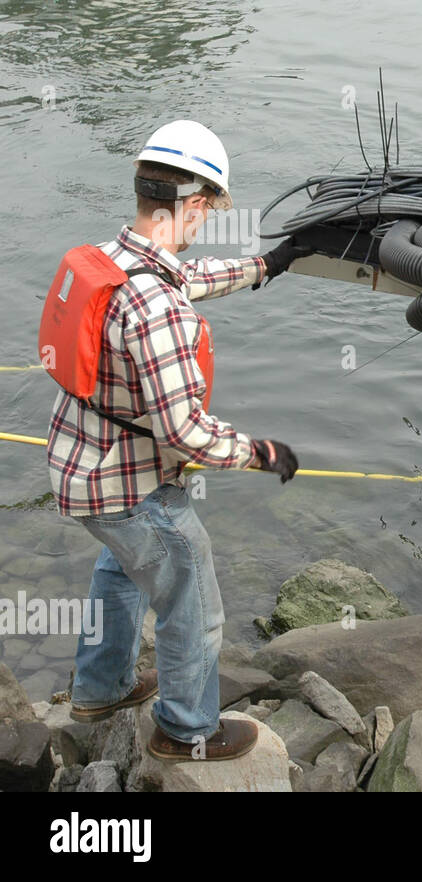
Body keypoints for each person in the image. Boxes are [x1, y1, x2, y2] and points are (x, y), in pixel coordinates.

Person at [44, 120, 308, 761]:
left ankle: (99, 688)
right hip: (128, 487)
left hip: (80, 468)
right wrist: (260, 452)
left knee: (123, 569)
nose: (207, 222)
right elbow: (183, 432)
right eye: (210, 210)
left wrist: (266, 266)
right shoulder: (158, 307)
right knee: (191, 597)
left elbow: (184, 278)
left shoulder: (116, 261)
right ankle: (188, 729)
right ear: (191, 205)